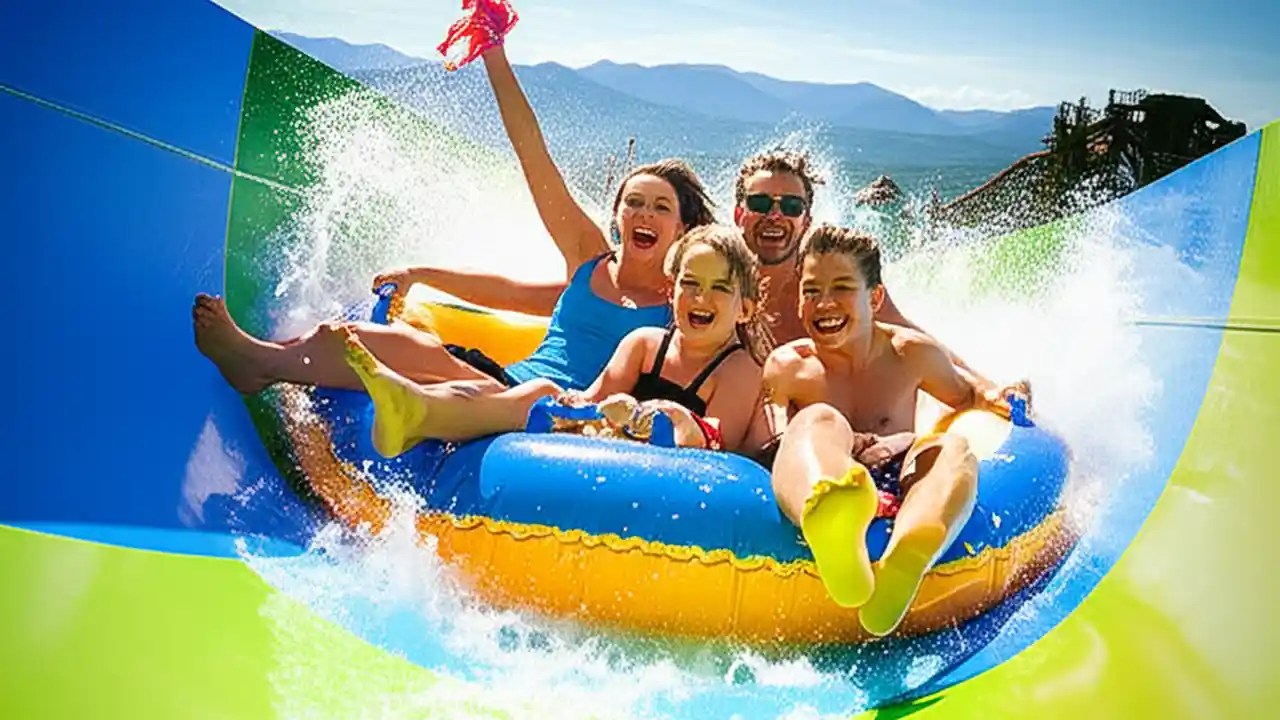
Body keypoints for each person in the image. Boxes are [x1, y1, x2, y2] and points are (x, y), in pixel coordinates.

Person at [192, 9, 716, 402]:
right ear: (618, 214)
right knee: (352, 338)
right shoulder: (589, 258)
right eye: (634, 203)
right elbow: (531, 159)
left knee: (423, 371)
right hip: (505, 383)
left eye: (660, 208)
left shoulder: (687, 300)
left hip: (563, 413)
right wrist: (494, 52)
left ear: (684, 226)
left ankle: (262, 362)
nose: (644, 215)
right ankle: (262, 361)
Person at [761, 224, 1019, 637]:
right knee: (817, 419)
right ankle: (832, 521)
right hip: (828, 476)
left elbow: (970, 397)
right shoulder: (789, 366)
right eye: (811, 291)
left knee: (951, 448)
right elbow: (770, 441)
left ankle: (907, 554)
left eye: (841, 288)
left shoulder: (912, 355)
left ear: (875, 297)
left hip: (899, 476)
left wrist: (1001, 394)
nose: (824, 303)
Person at [341, 224, 773, 455]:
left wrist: (649, 417)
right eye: (691, 283)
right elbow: (594, 397)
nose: (701, 297)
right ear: (671, 291)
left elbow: (720, 442)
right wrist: (576, 407)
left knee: (667, 418)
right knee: (544, 391)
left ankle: (426, 411)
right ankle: (421, 412)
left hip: (660, 459)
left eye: (720, 288)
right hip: (607, 438)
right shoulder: (644, 343)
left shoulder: (739, 367)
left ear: (746, 308)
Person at [730, 149, 1001, 394]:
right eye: (760, 204)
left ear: (806, 220)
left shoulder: (836, 280)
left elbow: (909, 335)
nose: (775, 215)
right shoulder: (715, 278)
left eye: (791, 206)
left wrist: (986, 386)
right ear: (739, 215)